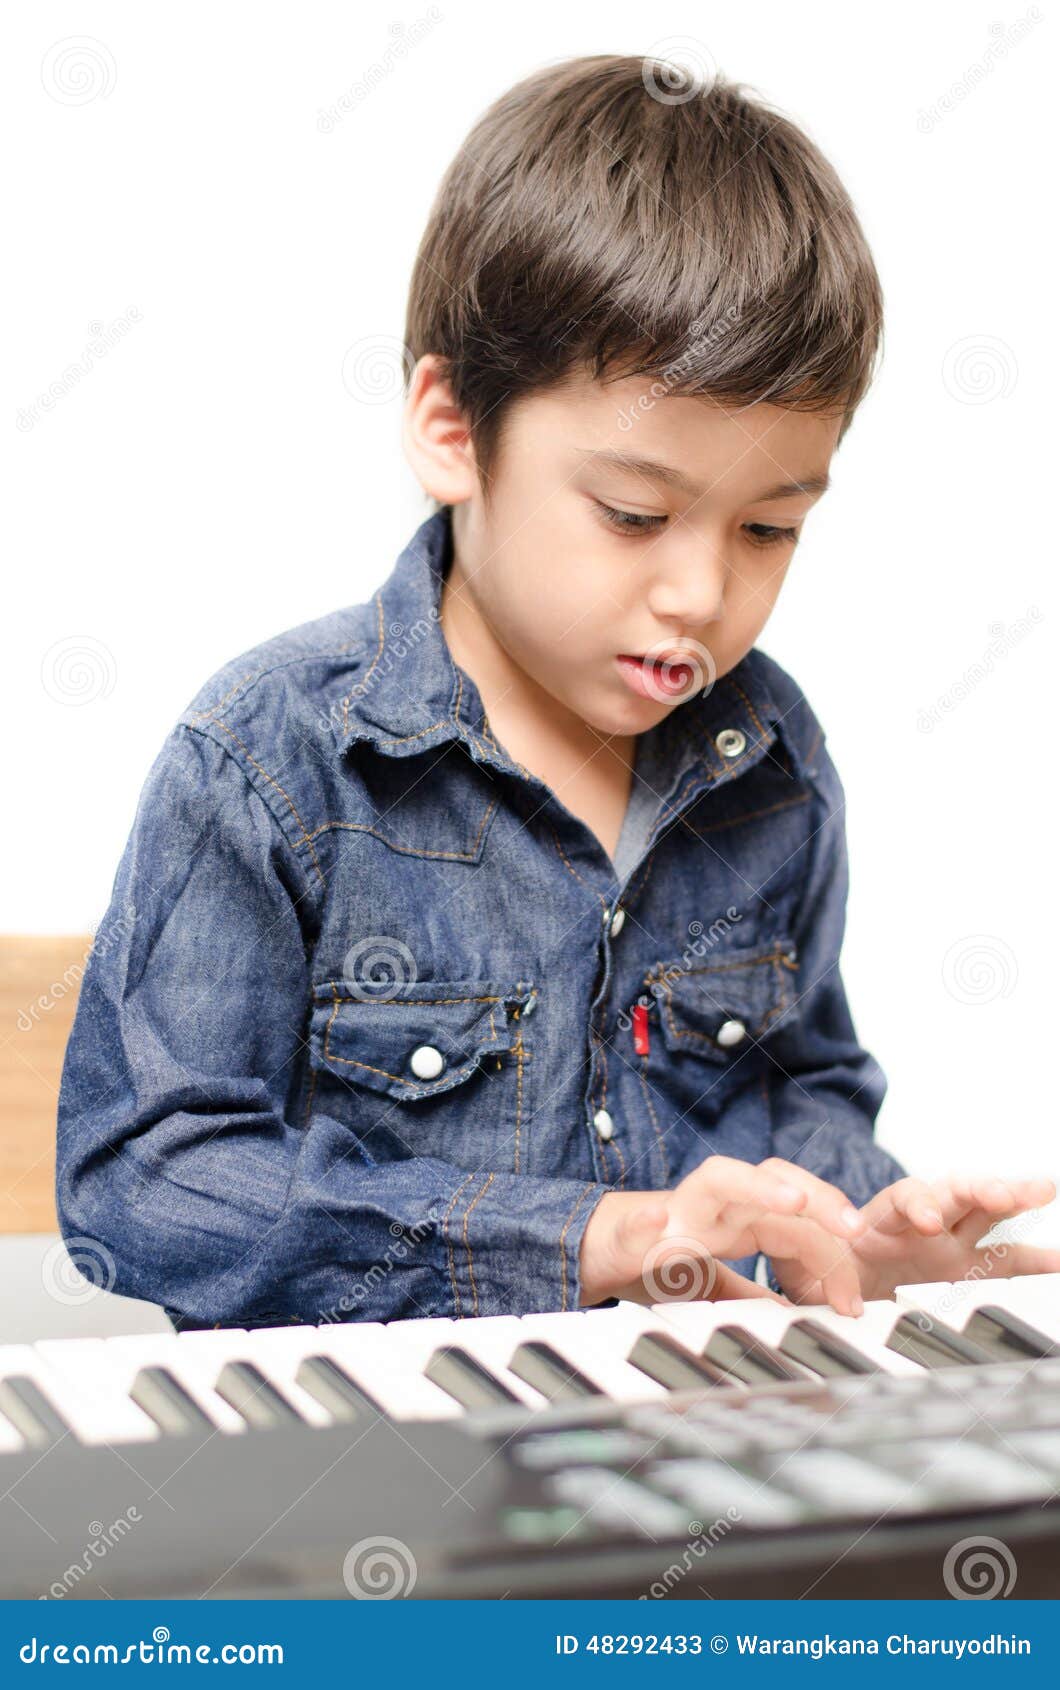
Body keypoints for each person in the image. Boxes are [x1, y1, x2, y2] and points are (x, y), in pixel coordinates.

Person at [56, 55, 1058, 1330]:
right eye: (635, 514)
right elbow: (145, 1184)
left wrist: (852, 1221)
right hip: (380, 1469)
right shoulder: (272, 756)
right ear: (451, 429)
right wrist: (583, 1237)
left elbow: (803, 1082)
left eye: (766, 529)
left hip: (688, 1449)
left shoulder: (772, 758)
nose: (700, 592)